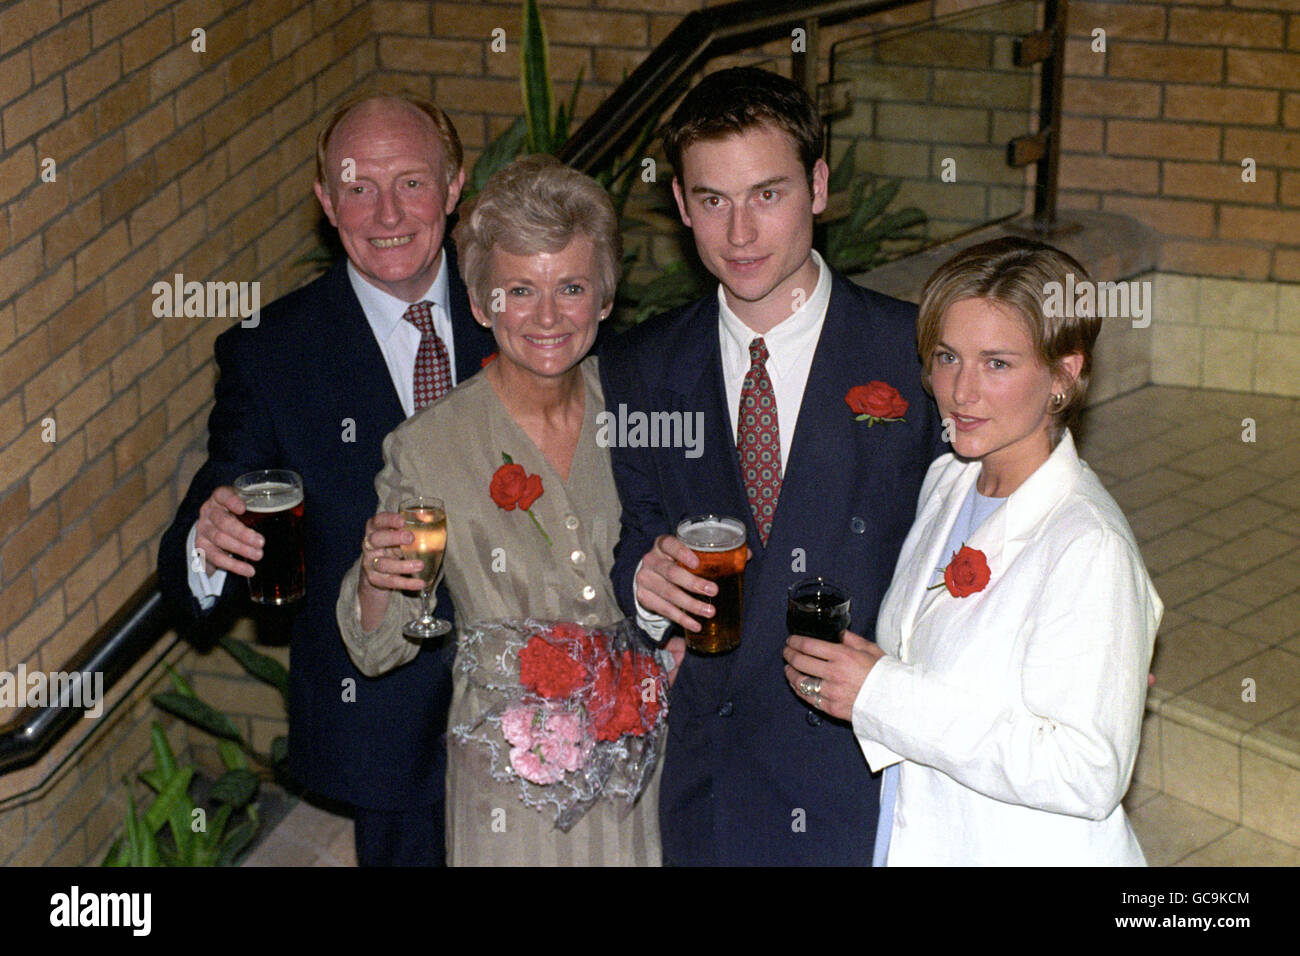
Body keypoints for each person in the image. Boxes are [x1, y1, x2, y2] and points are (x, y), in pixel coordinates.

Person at [599, 67, 946, 865]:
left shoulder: (917, 353)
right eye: (713, 201)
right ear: (681, 205)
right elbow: (635, 536)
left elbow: (971, 546)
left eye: (768, 193)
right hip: (712, 782)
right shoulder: (643, 368)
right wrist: (645, 589)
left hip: (868, 775)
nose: (741, 233)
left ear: (819, 186)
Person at [157, 92, 496, 866]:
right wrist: (207, 546)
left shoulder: (520, 307)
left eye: (411, 181)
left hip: (537, 708)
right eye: (356, 186)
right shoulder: (274, 351)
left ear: (452, 188)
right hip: (384, 731)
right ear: (325, 201)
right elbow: (215, 512)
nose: (386, 212)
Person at [784, 237, 1162, 865]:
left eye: (997, 364)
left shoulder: (1089, 546)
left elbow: (1089, 773)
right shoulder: (952, 479)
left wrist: (882, 694)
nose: (960, 392)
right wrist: (874, 671)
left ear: (1064, 375)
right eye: (947, 357)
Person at [337, 154, 661, 866]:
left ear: (605, 299)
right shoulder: (427, 447)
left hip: (642, 760)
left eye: (571, 287)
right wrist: (375, 576)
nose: (547, 317)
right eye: (520, 290)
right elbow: (381, 644)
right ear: (482, 304)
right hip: (510, 775)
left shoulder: (644, 410)